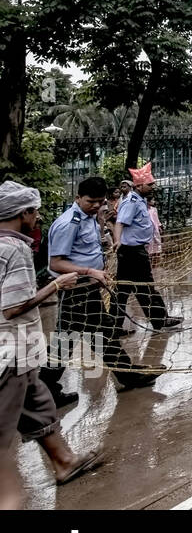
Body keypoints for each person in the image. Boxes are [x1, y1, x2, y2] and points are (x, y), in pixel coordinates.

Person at [0, 181, 103, 509]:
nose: (38, 216)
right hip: (10, 351)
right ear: (23, 213)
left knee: (39, 404)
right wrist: (55, 286)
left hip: (22, 352)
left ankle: (64, 461)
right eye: (34, 211)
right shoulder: (13, 249)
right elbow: (12, 307)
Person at [46, 176, 160, 395]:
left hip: (89, 289)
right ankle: (43, 389)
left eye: (101, 201)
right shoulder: (69, 223)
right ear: (77, 197)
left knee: (102, 334)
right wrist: (89, 271)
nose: (97, 205)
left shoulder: (88, 217)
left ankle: (128, 376)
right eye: (91, 201)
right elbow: (56, 263)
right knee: (68, 340)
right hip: (76, 291)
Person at [113, 164, 182, 329]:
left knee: (126, 289)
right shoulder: (131, 201)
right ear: (138, 185)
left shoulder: (140, 200)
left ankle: (115, 326)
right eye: (149, 184)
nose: (153, 187)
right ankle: (159, 320)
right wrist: (117, 241)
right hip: (132, 252)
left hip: (135, 250)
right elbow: (120, 222)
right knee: (143, 286)